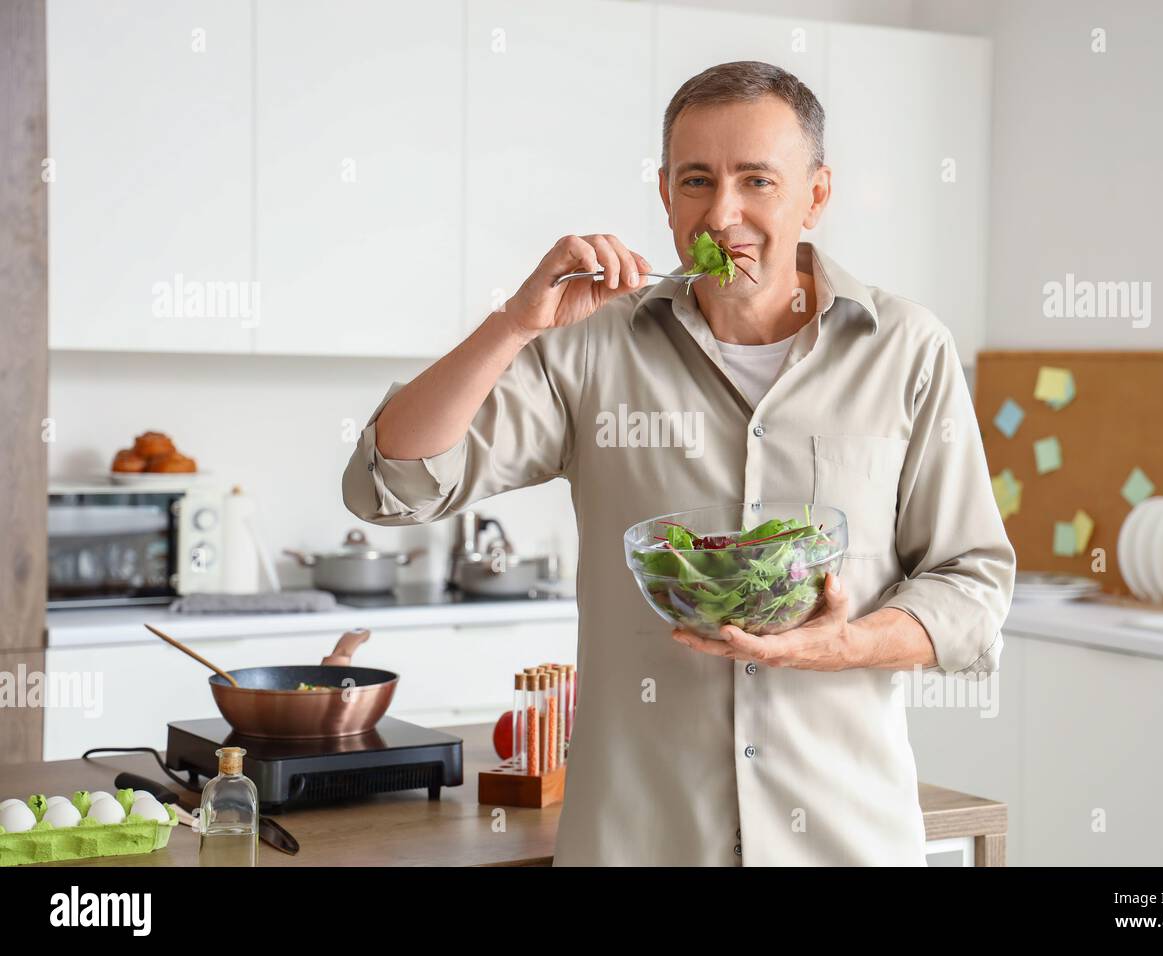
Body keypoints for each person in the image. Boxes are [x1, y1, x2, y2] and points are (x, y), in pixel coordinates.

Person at [342, 60, 1015, 866]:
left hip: (842, 840)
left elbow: (972, 585)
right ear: (665, 194)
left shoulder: (907, 349)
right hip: (638, 841)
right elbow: (394, 483)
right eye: (697, 180)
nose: (722, 213)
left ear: (817, 196)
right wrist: (514, 323)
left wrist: (843, 646)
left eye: (757, 180)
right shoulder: (591, 343)